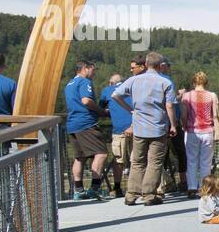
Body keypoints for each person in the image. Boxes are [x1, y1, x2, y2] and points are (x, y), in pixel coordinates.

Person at [111, 51, 178, 206]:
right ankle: (149, 195)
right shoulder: (165, 82)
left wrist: (130, 109)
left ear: (146, 64)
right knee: (154, 162)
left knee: (137, 162)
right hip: (158, 127)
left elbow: (115, 95)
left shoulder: (133, 80)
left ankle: (131, 194)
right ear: (160, 65)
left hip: (139, 128)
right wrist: (173, 124)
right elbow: (169, 105)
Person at [64, 60, 110, 200]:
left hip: (72, 124)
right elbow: (86, 101)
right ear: (85, 68)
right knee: (101, 153)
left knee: (80, 157)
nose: (94, 73)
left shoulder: (69, 84)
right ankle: (94, 188)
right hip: (85, 122)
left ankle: (78, 190)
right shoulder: (85, 82)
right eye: (93, 70)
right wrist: (101, 111)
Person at [181, 72, 219, 199]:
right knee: (206, 162)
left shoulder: (187, 96)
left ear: (194, 82)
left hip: (192, 131)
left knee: (192, 160)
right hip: (208, 130)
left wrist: (184, 126)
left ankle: (192, 187)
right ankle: (206, 188)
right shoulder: (212, 95)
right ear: (206, 82)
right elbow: (216, 114)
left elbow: (184, 115)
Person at [99, 72, 133, 198]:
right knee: (137, 160)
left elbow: (101, 107)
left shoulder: (107, 90)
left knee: (119, 159)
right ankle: (137, 188)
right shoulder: (131, 89)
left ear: (110, 83)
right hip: (136, 127)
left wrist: (109, 111)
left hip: (119, 129)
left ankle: (117, 187)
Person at [158, 58, 187, 195]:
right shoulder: (167, 80)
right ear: (162, 66)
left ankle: (162, 184)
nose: (169, 68)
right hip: (171, 123)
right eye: (168, 65)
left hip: (158, 123)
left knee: (160, 156)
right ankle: (183, 181)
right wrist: (180, 95)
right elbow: (171, 102)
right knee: (180, 153)